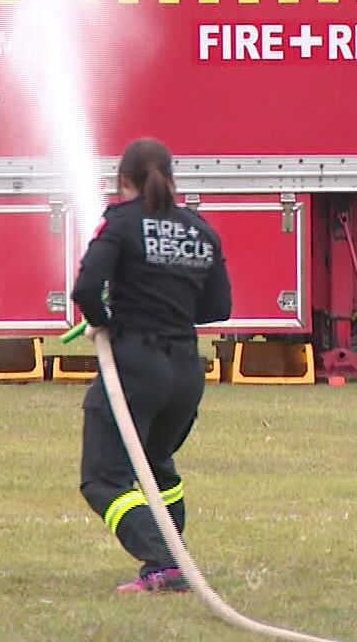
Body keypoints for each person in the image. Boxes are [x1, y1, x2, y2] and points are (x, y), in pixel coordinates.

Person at [73, 139, 232, 595]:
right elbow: (219, 307)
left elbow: (86, 289)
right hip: (185, 370)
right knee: (158, 467)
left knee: (105, 479)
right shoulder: (201, 230)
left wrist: (107, 321)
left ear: (123, 181)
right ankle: (170, 562)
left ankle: (164, 562)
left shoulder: (120, 223)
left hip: (136, 365)